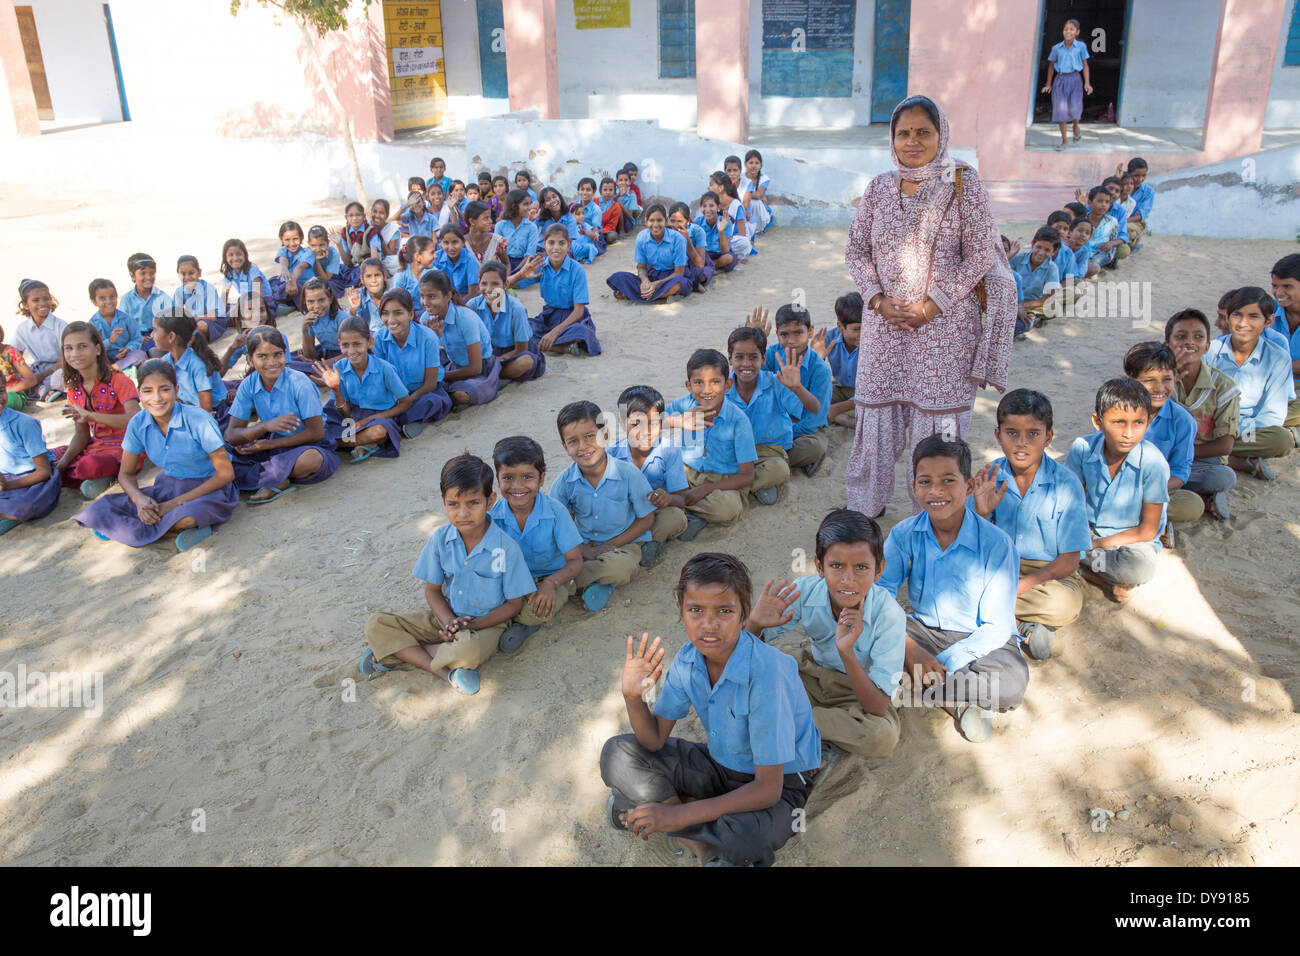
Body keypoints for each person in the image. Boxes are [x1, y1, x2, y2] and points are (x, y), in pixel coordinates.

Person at [844, 95, 1016, 519]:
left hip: (944, 330)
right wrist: (878, 300)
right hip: (884, 328)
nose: (912, 141)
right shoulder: (879, 188)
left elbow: (980, 254)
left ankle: (936, 515)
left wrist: (932, 306)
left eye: (923, 132)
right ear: (892, 139)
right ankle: (866, 511)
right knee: (876, 417)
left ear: (941, 136)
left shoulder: (962, 183)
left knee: (936, 424)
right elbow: (856, 250)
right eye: (903, 133)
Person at [599, 553, 822, 867]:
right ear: (681, 611)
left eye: (725, 611)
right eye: (695, 610)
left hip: (782, 783)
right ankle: (703, 848)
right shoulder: (689, 661)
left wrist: (677, 814)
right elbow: (653, 742)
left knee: (744, 838)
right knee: (618, 753)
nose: (708, 624)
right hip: (722, 766)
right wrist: (632, 698)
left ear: (744, 615)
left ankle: (670, 818)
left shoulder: (769, 673)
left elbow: (768, 790)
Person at [879, 435, 1028, 743]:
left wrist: (940, 665)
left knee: (1012, 685)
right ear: (914, 485)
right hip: (922, 632)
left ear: (969, 486)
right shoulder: (903, 534)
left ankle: (910, 686)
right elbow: (880, 597)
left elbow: (997, 626)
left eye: (948, 480)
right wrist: (910, 648)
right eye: (925, 482)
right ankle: (953, 702)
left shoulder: (996, 544)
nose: (936, 492)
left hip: (981, 642)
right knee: (864, 636)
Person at [360, 453, 536, 697]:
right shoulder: (441, 539)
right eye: (453, 504)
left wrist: (472, 625)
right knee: (376, 624)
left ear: (490, 500)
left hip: (487, 625)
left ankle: (403, 653)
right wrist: (448, 623)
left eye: (472, 503)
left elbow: (514, 605)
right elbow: (432, 590)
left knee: (468, 651)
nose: (462, 513)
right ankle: (444, 671)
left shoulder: (506, 548)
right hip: (445, 618)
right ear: (444, 502)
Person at [746, 509, 905, 760]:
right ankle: (812, 727)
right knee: (753, 670)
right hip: (813, 674)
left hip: (859, 691)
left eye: (861, 567)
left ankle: (793, 720)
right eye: (836, 566)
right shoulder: (805, 592)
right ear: (820, 566)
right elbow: (746, 651)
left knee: (881, 737)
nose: (848, 580)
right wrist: (754, 624)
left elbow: (877, 706)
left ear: (879, 569)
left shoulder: (889, 616)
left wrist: (846, 652)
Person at [969, 389, 1090, 660]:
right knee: (952, 579)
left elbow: (1069, 561)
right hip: (996, 568)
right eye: (1011, 433)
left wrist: (1020, 587)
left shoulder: (1066, 484)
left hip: (1047, 576)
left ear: (1049, 436)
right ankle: (1024, 625)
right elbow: (968, 545)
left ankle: (994, 615)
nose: (1021, 443)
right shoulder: (988, 477)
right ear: (997, 434)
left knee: (1065, 602)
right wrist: (981, 512)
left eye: (1033, 434)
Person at [75, 359, 238, 551]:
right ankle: (164, 529)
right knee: (98, 510)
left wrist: (172, 505)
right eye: (148, 391)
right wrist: (140, 501)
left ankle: (151, 529)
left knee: (188, 516)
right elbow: (125, 474)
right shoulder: (137, 423)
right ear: (139, 394)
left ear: (176, 390)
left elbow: (226, 475)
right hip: (168, 488)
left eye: (164, 389)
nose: (157, 398)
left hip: (209, 489)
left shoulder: (198, 420)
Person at [1063, 379, 1169, 604]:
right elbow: (1069, 501)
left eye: (1138, 422)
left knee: (1139, 568)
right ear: (1097, 422)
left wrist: (1096, 545)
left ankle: (1081, 568)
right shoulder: (1083, 448)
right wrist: (1079, 535)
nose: (1128, 433)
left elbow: (1148, 531)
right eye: (1118, 422)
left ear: (1149, 421)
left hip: (1129, 541)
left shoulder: (1153, 463)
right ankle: (1094, 573)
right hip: (1089, 532)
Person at [550, 400, 656, 612]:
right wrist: (582, 550)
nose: (583, 447)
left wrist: (608, 546)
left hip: (622, 545)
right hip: (583, 546)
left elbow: (647, 518)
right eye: (573, 441)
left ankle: (573, 582)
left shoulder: (628, 474)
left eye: (590, 436)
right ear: (565, 447)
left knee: (620, 568)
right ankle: (590, 582)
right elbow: (555, 527)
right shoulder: (562, 484)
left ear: (605, 435)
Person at [489, 435, 584, 656]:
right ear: (497, 479)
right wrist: (513, 579)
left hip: (554, 577)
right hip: (515, 580)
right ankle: (509, 619)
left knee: (537, 608)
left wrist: (550, 584)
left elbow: (575, 560)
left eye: (527, 477)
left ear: (541, 479)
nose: (518, 486)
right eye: (508, 478)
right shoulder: (493, 517)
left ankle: (525, 625)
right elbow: (495, 560)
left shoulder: (556, 511)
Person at [224, 326, 339, 503]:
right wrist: (263, 427)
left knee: (311, 460)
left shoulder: (299, 382)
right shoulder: (248, 385)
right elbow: (232, 435)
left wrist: (267, 445)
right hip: (274, 446)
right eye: (262, 356)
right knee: (223, 455)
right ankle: (277, 476)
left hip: (309, 444)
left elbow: (316, 433)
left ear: (285, 355)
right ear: (250, 359)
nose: (272, 362)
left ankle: (273, 479)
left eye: (277, 354)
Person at [664, 349, 757, 541]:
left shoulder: (739, 421)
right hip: (686, 473)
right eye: (698, 382)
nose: (706, 390)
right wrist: (678, 421)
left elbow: (747, 475)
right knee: (651, 481)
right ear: (688, 386)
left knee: (727, 509)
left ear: (728, 384)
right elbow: (648, 422)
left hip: (722, 483)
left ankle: (680, 506)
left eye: (715, 382)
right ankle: (686, 507)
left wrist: (705, 489)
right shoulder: (684, 406)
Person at [1206, 286, 1294, 480]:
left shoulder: (1278, 358)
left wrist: (1235, 429)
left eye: (1253, 316)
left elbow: (1273, 415)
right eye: (1237, 315)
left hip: (1248, 430)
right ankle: (1230, 458)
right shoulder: (1211, 351)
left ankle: (1214, 455)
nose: (1243, 323)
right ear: (1228, 318)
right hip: (1210, 425)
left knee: (1281, 439)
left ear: (1268, 321)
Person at [51, 321, 143, 500]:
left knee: (89, 465)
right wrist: (63, 463)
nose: (75, 354)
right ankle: (91, 477)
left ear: (98, 349)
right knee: (49, 458)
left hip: (126, 446)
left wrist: (91, 415)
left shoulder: (119, 381)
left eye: (82, 346)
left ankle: (100, 475)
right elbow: (81, 434)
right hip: (96, 445)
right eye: (68, 348)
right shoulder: (73, 389)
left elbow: (136, 419)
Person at [724, 326, 813, 506]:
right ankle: (753, 487)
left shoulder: (775, 382)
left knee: (779, 469)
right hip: (735, 454)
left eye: (754, 357)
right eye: (739, 357)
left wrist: (797, 388)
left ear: (763, 359)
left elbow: (810, 408)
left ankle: (732, 490)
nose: (746, 364)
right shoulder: (721, 387)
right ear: (730, 360)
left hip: (769, 453)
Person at [1167, 308, 1239, 520]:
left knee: (1224, 477)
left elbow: (1224, 446)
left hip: (1200, 461)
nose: (1190, 343)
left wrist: (1180, 455)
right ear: (1167, 344)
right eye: (1180, 337)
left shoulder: (1224, 386)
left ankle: (1185, 491)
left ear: (1207, 346)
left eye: (1198, 337)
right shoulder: (1156, 381)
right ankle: (1199, 496)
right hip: (1159, 458)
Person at [608, 384, 689, 568]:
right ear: (622, 424)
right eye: (636, 424)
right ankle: (649, 543)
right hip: (624, 516)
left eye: (652, 423)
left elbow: (682, 499)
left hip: (655, 514)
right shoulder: (610, 455)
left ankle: (637, 545)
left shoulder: (669, 450)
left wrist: (668, 498)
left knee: (675, 518)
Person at [1123, 342, 1201, 531]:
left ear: (1176, 378)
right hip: (1115, 483)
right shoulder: (1117, 410)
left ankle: (1137, 516)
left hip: (1154, 490)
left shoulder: (1183, 421)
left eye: (1167, 379)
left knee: (1192, 505)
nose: (1159, 388)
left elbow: (1180, 472)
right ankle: (1151, 520)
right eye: (1149, 380)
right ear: (1130, 380)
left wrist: (1144, 492)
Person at [319, 316, 413, 462]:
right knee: (322, 425)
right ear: (339, 344)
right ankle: (362, 442)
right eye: (345, 345)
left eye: (357, 344)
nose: (351, 351)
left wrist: (371, 418)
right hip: (353, 416)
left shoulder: (384, 369)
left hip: (381, 416)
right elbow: (346, 413)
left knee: (379, 432)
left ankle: (343, 443)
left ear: (370, 342)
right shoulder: (340, 368)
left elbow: (406, 403)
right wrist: (336, 389)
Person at [760, 305, 833, 476]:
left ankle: (767, 459)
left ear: (810, 331)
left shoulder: (820, 369)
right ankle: (776, 458)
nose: (791, 341)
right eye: (784, 334)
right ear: (777, 334)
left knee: (814, 447)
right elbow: (755, 384)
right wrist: (758, 341)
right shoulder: (771, 354)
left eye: (798, 333)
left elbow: (815, 418)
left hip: (804, 430)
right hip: (773, 421)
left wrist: (782, 435)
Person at [371, 287, 452, 437]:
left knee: (434, 402)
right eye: (385, 313)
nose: (391, 320)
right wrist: (397, 401)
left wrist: (407, 401)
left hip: (423, 392)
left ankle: (411, 422)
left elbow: (430, 384)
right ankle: (403, 422)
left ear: (411, 314)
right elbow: (381, 379)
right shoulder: (379, 339)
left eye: (398, 313)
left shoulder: (428, 338)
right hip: (395, 395)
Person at [418, 270, 500, 408]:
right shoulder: (426, 318)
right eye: (422, 296)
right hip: (454, 365)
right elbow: (424, 358)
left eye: (432, 296)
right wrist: (434, 339)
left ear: (448, 295)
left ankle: (491, 383)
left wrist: (442, 376)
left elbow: (475, 368)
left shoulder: (465, 318)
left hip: (482, 369)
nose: (425, 303)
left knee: (460, 395)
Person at [524, 225, 601, 356]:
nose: (556, 248)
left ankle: (550, 343)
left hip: (573, 318)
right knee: (523, 328)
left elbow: (578, 311)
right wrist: (522, 274)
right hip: (550, 315)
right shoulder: (540, 266)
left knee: (581, 332)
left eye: (561, 243)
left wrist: (554, 332)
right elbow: (511, 284)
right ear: (544, 244)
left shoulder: (577, 270)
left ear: (569, 244)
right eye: (551, 242)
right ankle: (562, 348)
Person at [464, 261, 544, 383]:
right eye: (484, 283)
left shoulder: (516, 309)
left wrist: (500, 359)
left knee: (525, 362)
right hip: (487, 353)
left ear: (505, 285)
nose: (489, 289)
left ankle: (493, 374)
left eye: (495, 284)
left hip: (512, 353)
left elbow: (521, 349)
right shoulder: (473, 305)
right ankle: (494, 374)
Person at [0, 381, 62, 535]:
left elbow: (43, 472)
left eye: (1, 390)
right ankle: (8, 514)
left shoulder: (24, 424)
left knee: (26, 505)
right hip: (5, 480)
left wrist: (7, 485)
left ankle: (10, 514)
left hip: (34, 482)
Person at [151, 307, 229, 427]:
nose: (151, 335)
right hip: (190, 411)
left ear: (171, 336)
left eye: (155, 330)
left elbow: (206, 409)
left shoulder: (197, 365)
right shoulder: (166, 361)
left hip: (214, 416)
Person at [605, 204, 692, 303]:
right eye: (652, 220)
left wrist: (656, 284)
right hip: (652, 275)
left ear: (666, 221)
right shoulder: (642, 237)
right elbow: (641, 267)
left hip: (671, 277)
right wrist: (645, 281)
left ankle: (639, 295)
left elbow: (679, 273)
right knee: (618, 277)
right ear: (646, 221)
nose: (655, 225)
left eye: (659, 220)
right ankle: (659, 295)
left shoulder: (678, 239)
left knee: (679, 283)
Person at [13, 279, 68, 401]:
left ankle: (45, 391)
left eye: (46, 299)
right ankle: (46, 391)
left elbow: (68, 358)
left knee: (66, 377)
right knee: (14, 379)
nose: (42, 303)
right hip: (38, 370)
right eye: (36, 300)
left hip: (60, 367)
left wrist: (41, 376)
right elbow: (13, 354)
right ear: (26, 305)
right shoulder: (22, 329)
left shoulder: (60, 326)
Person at [1041, 18, 1091, 150]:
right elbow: (1051, 66)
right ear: (1062, 31)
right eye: (1066, 29)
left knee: (1075, 109)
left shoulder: (1081, 47)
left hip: (1075, 80)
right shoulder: (1056, 48)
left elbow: (1085, 65)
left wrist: (1087, 83)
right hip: (1060, 81)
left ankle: (1075, 126)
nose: (1068, 32)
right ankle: (1064, 141)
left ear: (1077, 32)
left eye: (1071, 29)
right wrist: (1048, 84)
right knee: (1060, 112)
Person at [811, 292, 861, 426]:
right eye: (857, 329)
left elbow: (873, 390)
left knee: (871, 416)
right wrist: (818, 359)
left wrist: (835, 409)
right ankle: (839, 417)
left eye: (866, 328)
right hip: (839, 388)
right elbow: (812, 373)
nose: (862, 334)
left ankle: (834, 415)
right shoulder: (828, 338)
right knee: (809, 398)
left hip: (865, 394)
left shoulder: (873, 343)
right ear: (840, 327)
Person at [1266, 254, 1300, 442]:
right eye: (1275, 285)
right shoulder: (1267, 314)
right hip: (1269, 386)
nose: (1278, 292)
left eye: (1287, 286)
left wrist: (1276, 367)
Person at [86, 279, 146, 372]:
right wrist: (110, 341)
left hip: (125, 358)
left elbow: (136, 339)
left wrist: (128, 349)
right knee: (93, 362)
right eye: (102, 298)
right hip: (105, 358)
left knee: (140, 355)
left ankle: (114, 369)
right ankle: (115, 369)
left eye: (112, 297)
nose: (109, 301)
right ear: (94, 301)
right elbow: (93, 349)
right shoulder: (92, 324)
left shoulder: (126, 319)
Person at [1009, 227, 1062, 332]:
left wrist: (1024, 306)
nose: (1041, 252)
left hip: (1032, 304)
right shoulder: (1017, 260)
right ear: (1032, 244)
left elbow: (1048, 297)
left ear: (1054, 251)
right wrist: (1016, 305)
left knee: (1025, 323)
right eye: (1038, 247)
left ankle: (1035, 319)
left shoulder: (1052, 268)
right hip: (1011, 301)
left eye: (1047, 250)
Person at [218, 238, 276, 334]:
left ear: (245, 255)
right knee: (223, 312)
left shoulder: (252, 269)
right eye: (231, 255)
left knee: (236, 317)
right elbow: (224, 295)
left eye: (239, 254)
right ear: (225, 258)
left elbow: (258, 295)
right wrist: (221, 312)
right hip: (247, 304)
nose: (235, 258)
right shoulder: (230, 273)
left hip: (262, 302)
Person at [172, 255, 229, 343]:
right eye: (183, 274)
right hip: (193, 320)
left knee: (200, 326)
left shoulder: (208, 288)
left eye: (191, 273)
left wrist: (190, 319)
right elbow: (177, 315)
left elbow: (212, 316)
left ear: (199, 272)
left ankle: (196, 343)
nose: (187, 277)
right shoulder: (179, 292)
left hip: (214, 321)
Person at [493, 189, 542, 289]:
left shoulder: (531, 227)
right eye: (525, 204)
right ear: (514, 206)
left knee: (535, 271)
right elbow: (497, 251)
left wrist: (517, 273)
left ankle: (509, 282)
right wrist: (508, 270)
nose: (529, 208)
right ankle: (508, 282)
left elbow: (529, 255)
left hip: (523, 264)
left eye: (530, 204)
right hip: (504, 263)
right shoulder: (500, 226)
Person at [120, 253, 169, 351]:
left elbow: (171, 320)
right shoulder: (127, 300)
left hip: (158, 336)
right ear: (132, 276)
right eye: (143, 273)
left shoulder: (162, 297)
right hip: (135, 338)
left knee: (155, 351)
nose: (148, 277)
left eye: (152, 273)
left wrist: (157, 333)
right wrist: (138, 337)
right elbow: (123, 325)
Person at [667, 202, 713, 291]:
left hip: (693, 264)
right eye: (672, 221)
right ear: (668, 220)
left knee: (704, 273)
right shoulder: (666, 231)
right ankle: (690, 284)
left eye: (680, 221)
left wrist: (687, 240)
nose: (676, 225)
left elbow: (699, 264)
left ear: (688, 221)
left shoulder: (698, 231)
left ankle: (689, 283)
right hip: (676, 266)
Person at [269, 221, 314, 309]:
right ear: (281, 239)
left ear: (301, 238)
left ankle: (298, 306)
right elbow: (283, 260)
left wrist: (292, 280)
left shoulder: (308, 252)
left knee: (299, 288)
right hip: (289, 285)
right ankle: (279, 303)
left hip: (303, 284)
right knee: (271, 282)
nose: (292, 243)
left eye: (295, 239)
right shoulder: (283, 251)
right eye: (287, 240)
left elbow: (300, 267)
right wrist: (284, 269)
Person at [432, 224, 480, 301]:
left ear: (463, 242)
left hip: (465, 301)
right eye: (446, 243)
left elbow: (472, 294)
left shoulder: (470, 260)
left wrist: (455, 306)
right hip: (443, 301)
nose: (451, 247)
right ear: (440, 242)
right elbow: (433, 286)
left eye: (455, 242)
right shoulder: (436, 258)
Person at [694, 193, 735, 273]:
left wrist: (721, 231)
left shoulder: (725, 222)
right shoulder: (698, 222)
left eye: (711, 206)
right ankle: (710, 267)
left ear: (718, 207)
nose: (707, 209)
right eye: (704, 206)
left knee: (728, 258)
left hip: (720, 254)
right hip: (705, 254)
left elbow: (725, 250)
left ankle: (708, 267)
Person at [0, 323, 37, 410]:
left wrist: (8, 390)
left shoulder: (10, 352)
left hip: (12, 394)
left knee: (10, 400)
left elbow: (31, 380)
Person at [741, 149, 773, 235]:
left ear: (761, 165)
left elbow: (758, 195)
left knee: (755, 202)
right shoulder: (741, 177)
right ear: (745, 164)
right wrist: (754, 195)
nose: (754, 166)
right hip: (745, 208)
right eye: (751, 163)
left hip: (760, 210)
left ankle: (757, 228)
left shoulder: (764, 178)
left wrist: (743, 193)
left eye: (756, 163)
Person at [367, 199, 402, 277]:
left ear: (387, 215)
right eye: (375, 211)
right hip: (365, 256)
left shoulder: (392, 230)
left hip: (384, 259)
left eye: (381, 213)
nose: (377, 215)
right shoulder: (366, 224)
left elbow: (390, 253)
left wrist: (378, 235)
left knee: (398, 261)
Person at [1126, 158, 1153, 245]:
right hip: (1117, 220)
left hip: (1135, 222)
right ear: (1129, 173)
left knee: (1128, 230)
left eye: (1144, 176)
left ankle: (1134, 239)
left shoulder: (1148, 191)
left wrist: (1123, 221)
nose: (1140, 179)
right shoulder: (1120, 186)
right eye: (1136, 176)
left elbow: (1141, 214)